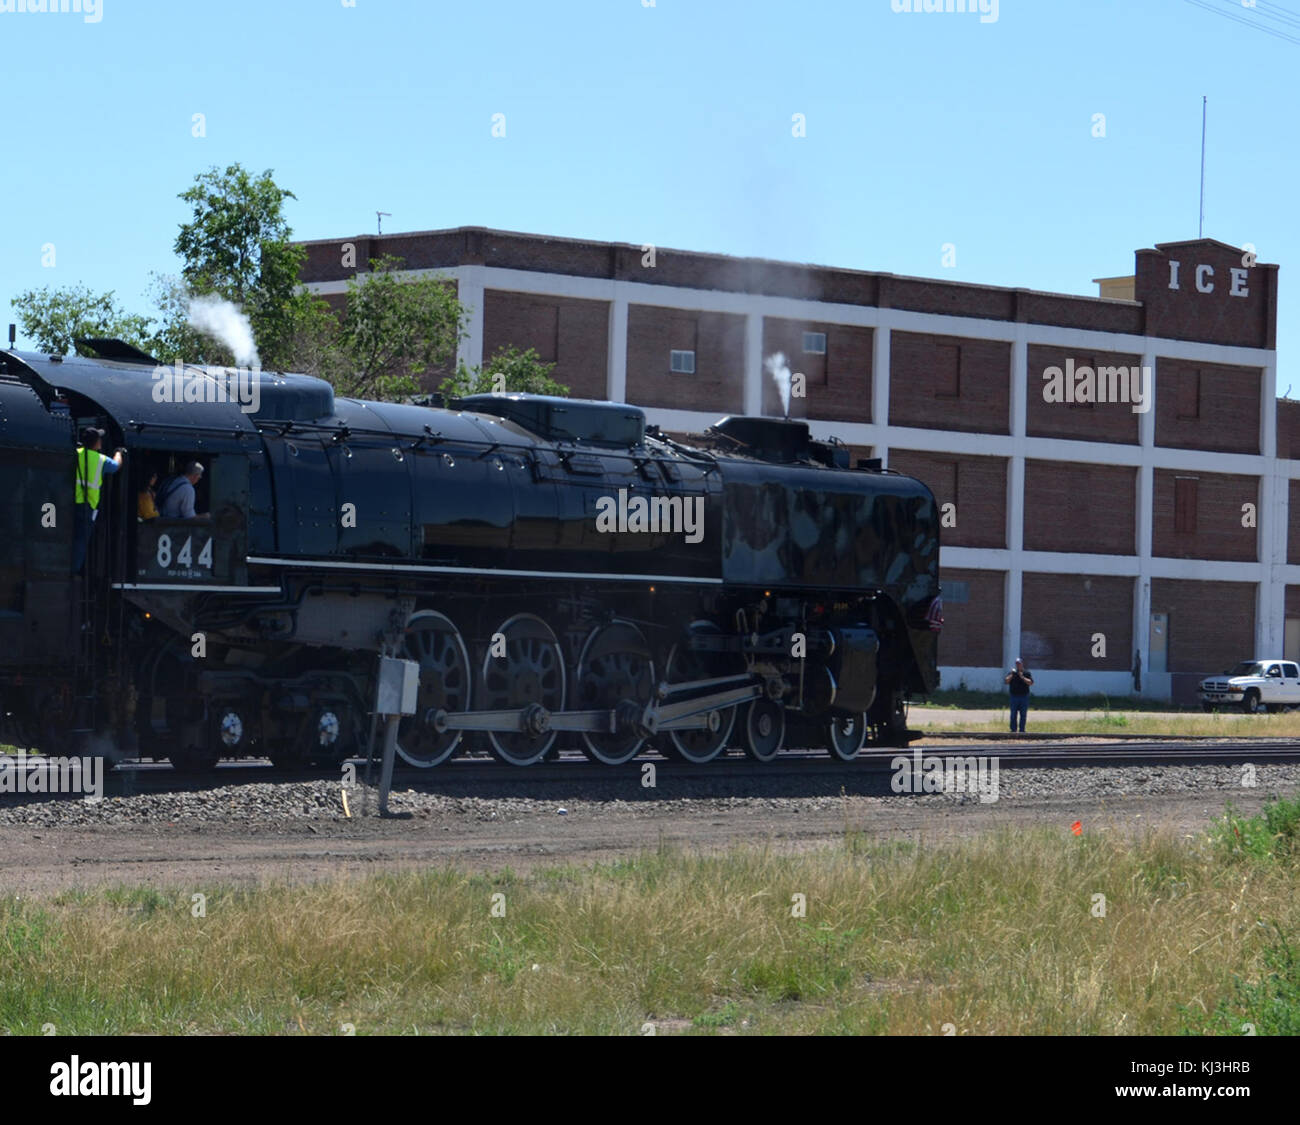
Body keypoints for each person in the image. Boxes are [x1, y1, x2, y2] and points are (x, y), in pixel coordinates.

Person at [73, 426, 124, 573]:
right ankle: (74, 571)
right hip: (87, 507)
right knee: (81, 542)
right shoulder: (100, 460)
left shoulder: (75, 454)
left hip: (71, 505)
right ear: (96, 442)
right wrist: (118, 453)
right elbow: (116, 466)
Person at [1004, 658, 1034, 733]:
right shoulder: (1012, 673)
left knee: (1023, 715)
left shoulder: (1026, 673)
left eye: (1019, 664)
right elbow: (1006, 681)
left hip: (1024, 697)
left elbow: (1031, 683)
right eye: (1017, 664)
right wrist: (1011, 674)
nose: (1018, 665)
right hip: (1014, 696)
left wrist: (1022, 677)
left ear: (1022, 664)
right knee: (1013, 714)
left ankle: (1022, 730)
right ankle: (1013, 730)